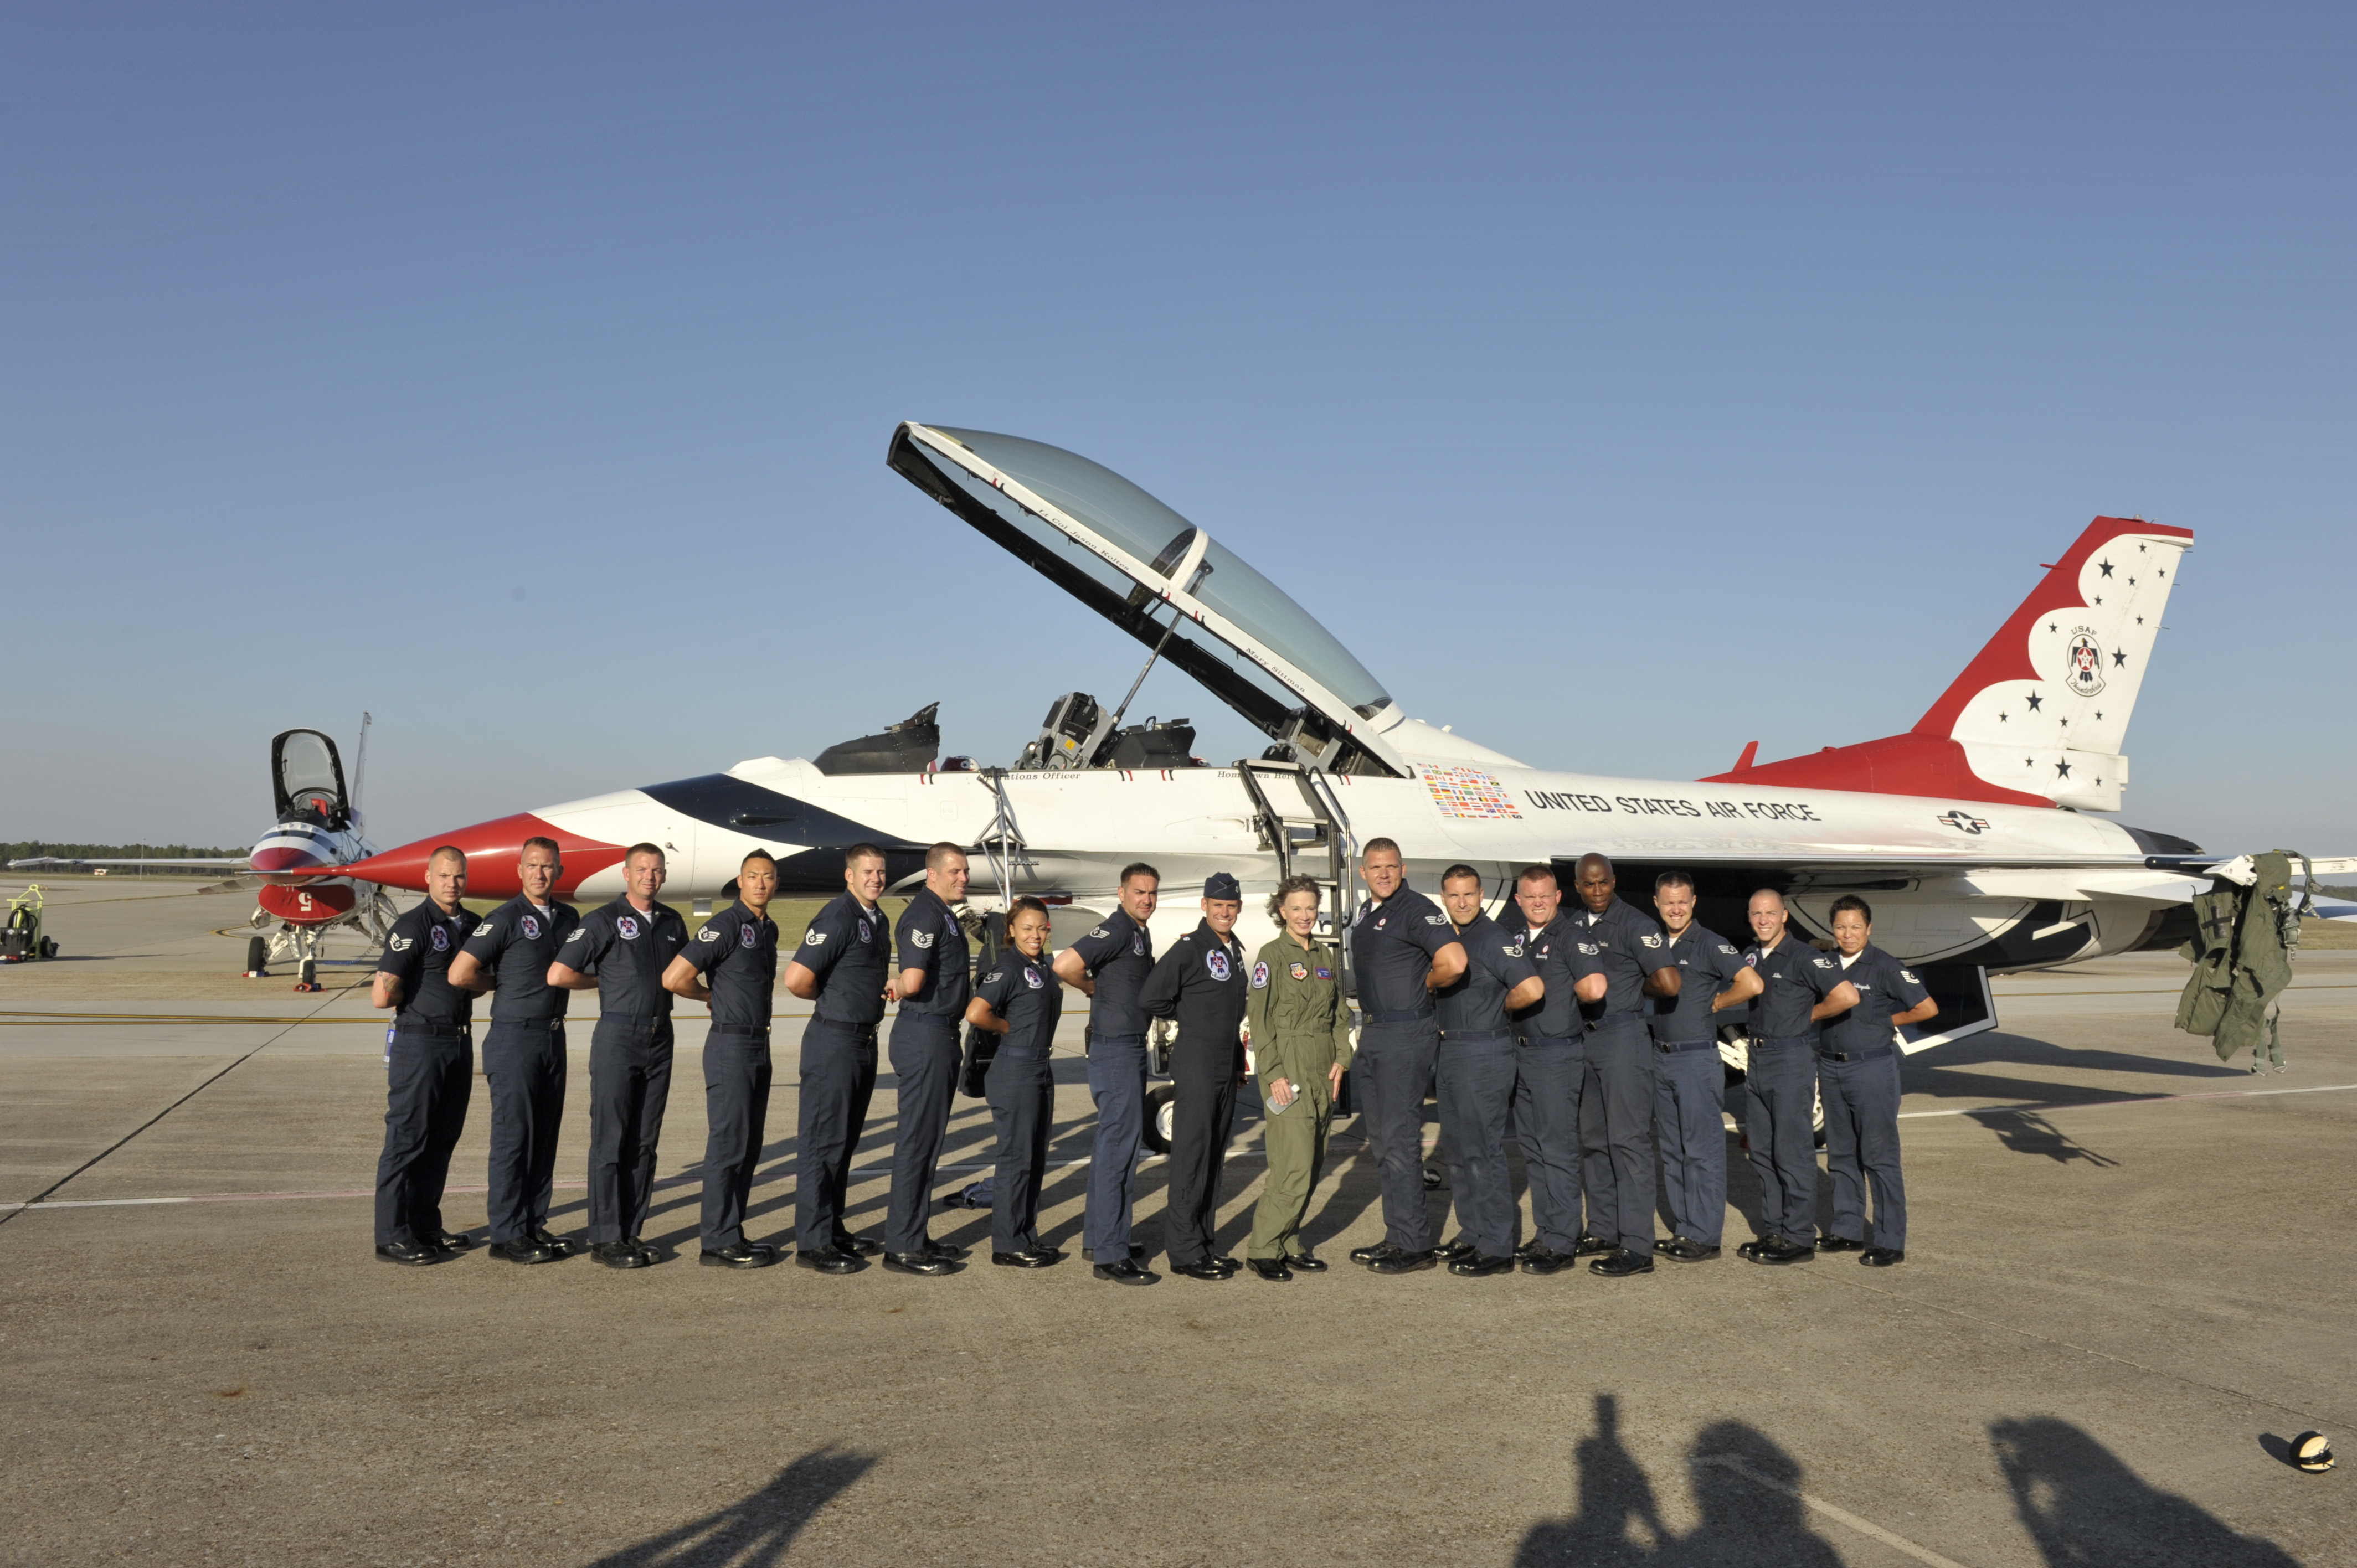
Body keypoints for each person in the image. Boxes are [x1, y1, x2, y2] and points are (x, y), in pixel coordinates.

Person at [548, 842, 688, 1270]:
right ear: (626, 874)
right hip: (618, 1035)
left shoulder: (671, 922)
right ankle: (606, 1237)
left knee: (645, 1142)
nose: (650, 876)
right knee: (611, 1139)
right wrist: (603, 981)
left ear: (664, 876)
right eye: (642, 869)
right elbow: (559, 973)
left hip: (660, 1036)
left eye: (657, 870)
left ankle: (631, 1230)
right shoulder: (604, 920)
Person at [450, 837, 581, 1265]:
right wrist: (498, 986)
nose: (540, 874)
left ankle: (533, 1225)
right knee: (513, 1138)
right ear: (519, 871)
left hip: (552, 1037)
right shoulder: (504, 918)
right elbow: (460, 973)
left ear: (559, 871)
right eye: (533, 866)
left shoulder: (568, 918)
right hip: (514, 1038)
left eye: (548, 866)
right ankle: (507, 1235)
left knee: (544, 1138)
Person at [1343, 840, 1467, 1275]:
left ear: (1403, 868)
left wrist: (1425, 986)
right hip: (1377, 1031)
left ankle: (1415, 1244)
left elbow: (1453, 961)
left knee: (1399, 1141)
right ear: (1363, 872)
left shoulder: (1416, 909)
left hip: (1404, 1033)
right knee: (1383, 1143)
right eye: (1375, 867)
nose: (1383, 874)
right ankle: (1398, 1235)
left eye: (1390, 867)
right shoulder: (1371, 913)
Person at [663, 849, 784, 1268]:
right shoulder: (726, 924)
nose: (760, 884)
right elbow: (674, 977)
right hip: (730, 1047)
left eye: (768, 877)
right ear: (740, 880)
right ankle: (715, 1242)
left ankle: (733, 1232)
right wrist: (708, 996)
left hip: (758, 1045)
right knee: (728, 1146)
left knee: (749, 1147)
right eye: (753, 876)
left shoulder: (766, 929)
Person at [1565, 852, 1681, 1277]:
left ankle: (1637, 1246)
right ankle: (1604, 1228)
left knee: (1628, 1142)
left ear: (1614, 881)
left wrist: (1632, 987)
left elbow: (1669, 983)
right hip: (1586, 1040)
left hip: (1623, 1039)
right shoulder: (1573, 924)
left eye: (1604, 883)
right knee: (1594, 1139)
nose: (1597, 891)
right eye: (1588, 885)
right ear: (1577, 885)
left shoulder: (1636, 924)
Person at [781, 843, 894, 1273]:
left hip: (862, 1042)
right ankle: (812, 1244)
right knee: (822, 1143)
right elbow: (797, 979)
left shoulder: (876, 918)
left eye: (880, 872)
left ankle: (832, 1227)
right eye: (867, 872)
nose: (875, 879)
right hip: (835, 1041)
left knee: (844, 1143)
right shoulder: (838, 916)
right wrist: (834, 1004)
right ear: (849, 875)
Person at [369, 845, 481, 1265]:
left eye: (459, 876)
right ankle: (392, 1235)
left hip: (459, 1040)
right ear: (428, 878)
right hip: (420, 1041)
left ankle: (425, 1225)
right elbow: (382, 995)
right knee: (407, 1139)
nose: (452, 883)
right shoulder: (413, 924)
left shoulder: (472, 924)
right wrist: (416, 1002)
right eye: (445, 876)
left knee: (442, 1140)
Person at [1733, 889, 1857, 1265]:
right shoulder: (1752, 955)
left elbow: (1847, 996)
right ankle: (1775, 1230)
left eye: (1770, 913)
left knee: (1792, 1151)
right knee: (1763, 1151)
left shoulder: (1804, 956)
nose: (1763, 920)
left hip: (1790, 1058)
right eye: (1756, 914)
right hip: (1758, 1059)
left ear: (1784, 916)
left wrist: (1810, 1017)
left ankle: (1799, 1237)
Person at [1139, 871, 1253, 1281]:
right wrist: (1189, 1017)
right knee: (1191, 1157)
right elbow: (1152, 996)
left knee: (1213, 1157)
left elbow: (1232, 1009)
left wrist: (1238, 1060)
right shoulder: (1190, 948)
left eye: (1231, 906)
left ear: (1238, 908)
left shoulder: (1233, 949)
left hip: (1225, 1063)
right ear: (1204, 906)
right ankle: (1184, 1251)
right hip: (1199, 1062)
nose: (1225, 912)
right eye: (1217, 905)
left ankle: (1205, 1243)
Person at [1241, 874, 1354, 1281]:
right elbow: (1260, 1020)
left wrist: (1343, 1058)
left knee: (1314, 1161)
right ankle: (1263, 1247)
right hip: (1286, 1064)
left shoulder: (1324, 956)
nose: (1305, 915)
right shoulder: (1271, 956)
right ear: (1282, 912)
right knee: (1292, 1164)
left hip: (1323, 1065)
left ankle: (1289, 1242)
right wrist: (1272, 1074)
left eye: (1311, 907)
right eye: (1297, 908)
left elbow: (1341, 1015)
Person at [1433, 865, 1545, 1277]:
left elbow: (1532, 989)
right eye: (1453, 896)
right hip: (1452, 1052)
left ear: (1481, 894)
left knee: (1483, 1151)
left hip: (1484, 1053)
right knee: (1459, 1152)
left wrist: (1497, 1009)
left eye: (1468, 895)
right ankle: (1474, 1231)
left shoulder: (1493, 938)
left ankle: (1497, 1246)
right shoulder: (1449, 938)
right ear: (1443, 898)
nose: (1461, 903)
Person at [1054, 862, 1161, 1286]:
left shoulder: (1138, 932)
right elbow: (1065, 964)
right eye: (1138, 892)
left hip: (1124, 1047)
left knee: (1111, 1148)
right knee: (1120, 1151)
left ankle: (1101, 1238)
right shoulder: (1117, 929)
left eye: (1152, 893)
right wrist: (1090, 987)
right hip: (1116, 1050)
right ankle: (1111, 1255)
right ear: (1122, 894)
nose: (1146, 900)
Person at [1814, 894, 1936, 1267]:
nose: (1847, 934)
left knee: (1880, 1157)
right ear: (1832, 930)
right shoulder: (1827, 964)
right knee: (1842, 1155)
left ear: (1868, 928)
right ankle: (1848, 1230)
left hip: (1871, 1070)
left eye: (1855, 927)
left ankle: (1889, 1240)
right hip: (1831, 1067)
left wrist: (1886, 1022)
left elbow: (1927, 1007)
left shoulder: (1884, 965)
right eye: (1840, 927)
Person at [1643, 872, 1749, 1263]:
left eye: (1682, 902)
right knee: (1673, 1150)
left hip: (1696, 1058)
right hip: (1662, 1055)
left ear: (1694, 902)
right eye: (1669, 902)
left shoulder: (1708, 943)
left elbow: (1751, 983)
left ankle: (1705, 1237)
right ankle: (1685, 1228)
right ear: (1656, 903)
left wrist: (1719, 1004)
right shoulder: (1654, 944)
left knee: (1701, 1150)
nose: (1675, 909)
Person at [882, 843, 975, 1277]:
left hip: (938, 1034)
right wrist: (896, 986)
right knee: (917, 1144)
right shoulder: (924, 915)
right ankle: (901, 1245)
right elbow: (915, 981)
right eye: (955, 871)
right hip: (925, 1034)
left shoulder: (943, 915)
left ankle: (915, 1234)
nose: (963, 877)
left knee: (928, 1144)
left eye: (965, 870)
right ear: (932, 874)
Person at [964, 896, 1070, 1268]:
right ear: (1010, 930)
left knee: (1035, 1159)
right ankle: (1007, 1244)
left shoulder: (1041, 966)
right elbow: (977, 1012)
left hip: (1040, 1068)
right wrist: (1007, 1028)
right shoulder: (1008, 967)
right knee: (1016, 1160)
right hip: (1015, 1070)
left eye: (1042, 928)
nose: (1036, 935)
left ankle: (1026, 1235)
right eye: (1027, 928)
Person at [1503, 865, 1593, 1275]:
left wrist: (1564, 1008)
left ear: (1558, 897)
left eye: (1545, 895)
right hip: (1522, 1054)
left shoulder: (1572, 936)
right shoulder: (1518, 939)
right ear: (1518, 900)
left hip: (1557, 1056)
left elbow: (1595, 987)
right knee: (1534, 1150)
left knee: (1557, 1149)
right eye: (1529, 896)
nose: (1537, 902)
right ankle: (1546, 1231)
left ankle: (1562, 1240)